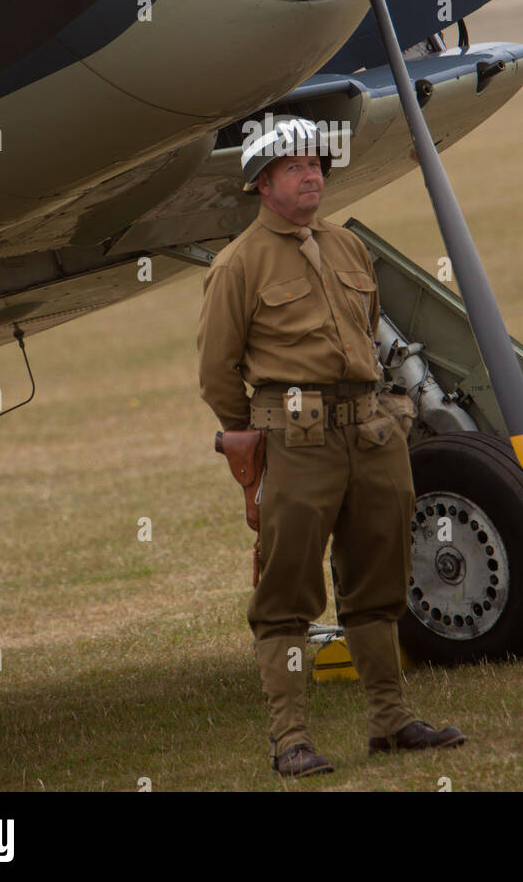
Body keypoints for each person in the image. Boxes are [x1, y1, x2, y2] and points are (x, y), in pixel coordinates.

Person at [197, 116, 465, 777]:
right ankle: (290, 740)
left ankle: (391, 722)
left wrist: (394, 411)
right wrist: (258, 431)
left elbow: (370, 336)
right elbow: (216, 371)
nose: (312, 174)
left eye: (315, 164)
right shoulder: (238, 265)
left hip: (372, 435)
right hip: (296, 440)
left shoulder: (346, 247)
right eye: (294, 167)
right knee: (287, 594)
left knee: (379, 583)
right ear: (262, 184)